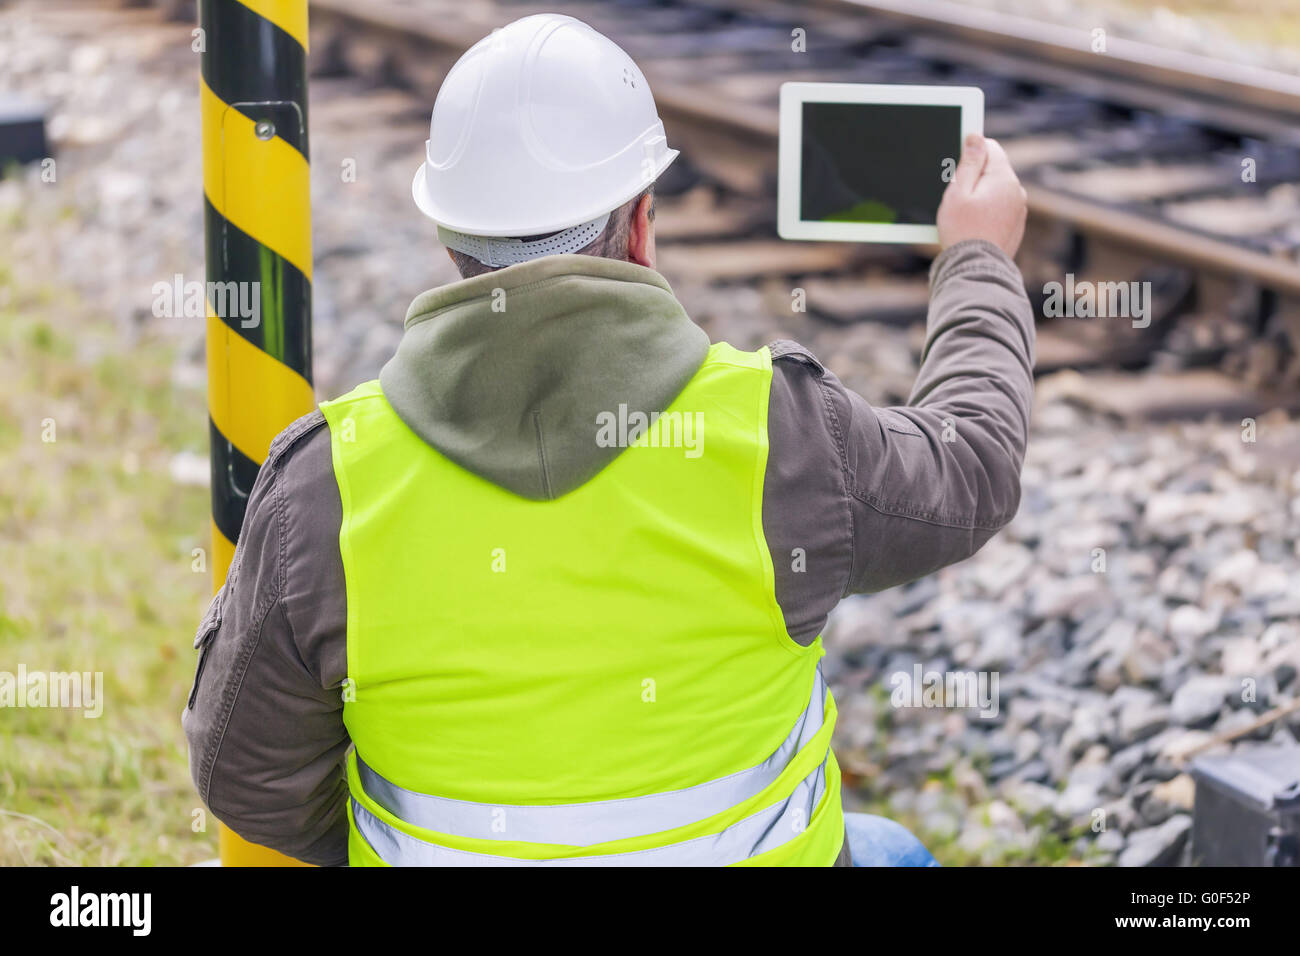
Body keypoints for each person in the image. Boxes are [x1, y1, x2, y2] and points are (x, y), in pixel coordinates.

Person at [184, 12, 1031, 867]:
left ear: (450, 242)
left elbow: (248, 775)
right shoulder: (781, 435)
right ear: (641, 225)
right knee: (890, 848)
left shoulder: (326, 486)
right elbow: (974, 461)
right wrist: (977, 258)